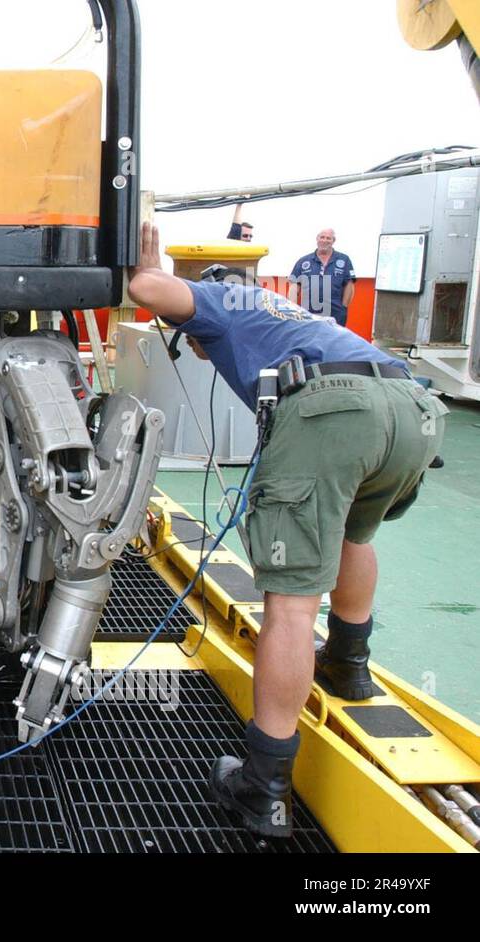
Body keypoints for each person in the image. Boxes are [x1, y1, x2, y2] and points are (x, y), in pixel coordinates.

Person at [127, 222, 447, 838]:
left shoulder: (220, 299)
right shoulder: (284, 309)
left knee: (292, 608)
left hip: (334, 411)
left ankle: (264, 786)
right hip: (412, 410)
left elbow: (150, 291)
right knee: (356, 535)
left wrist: (141, 268)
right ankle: (349, 663)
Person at [289, 228, 355, 326]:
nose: (324, 240)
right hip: (309, 314)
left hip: (336, 315)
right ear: (317, 239)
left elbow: (349, 285)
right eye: (322, 237)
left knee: (334, 341)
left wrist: (343, 308)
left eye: (328, 238)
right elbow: (294, 286)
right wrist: (294, 310)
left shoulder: (344, 260)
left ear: (333, 241)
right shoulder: (304, 261)